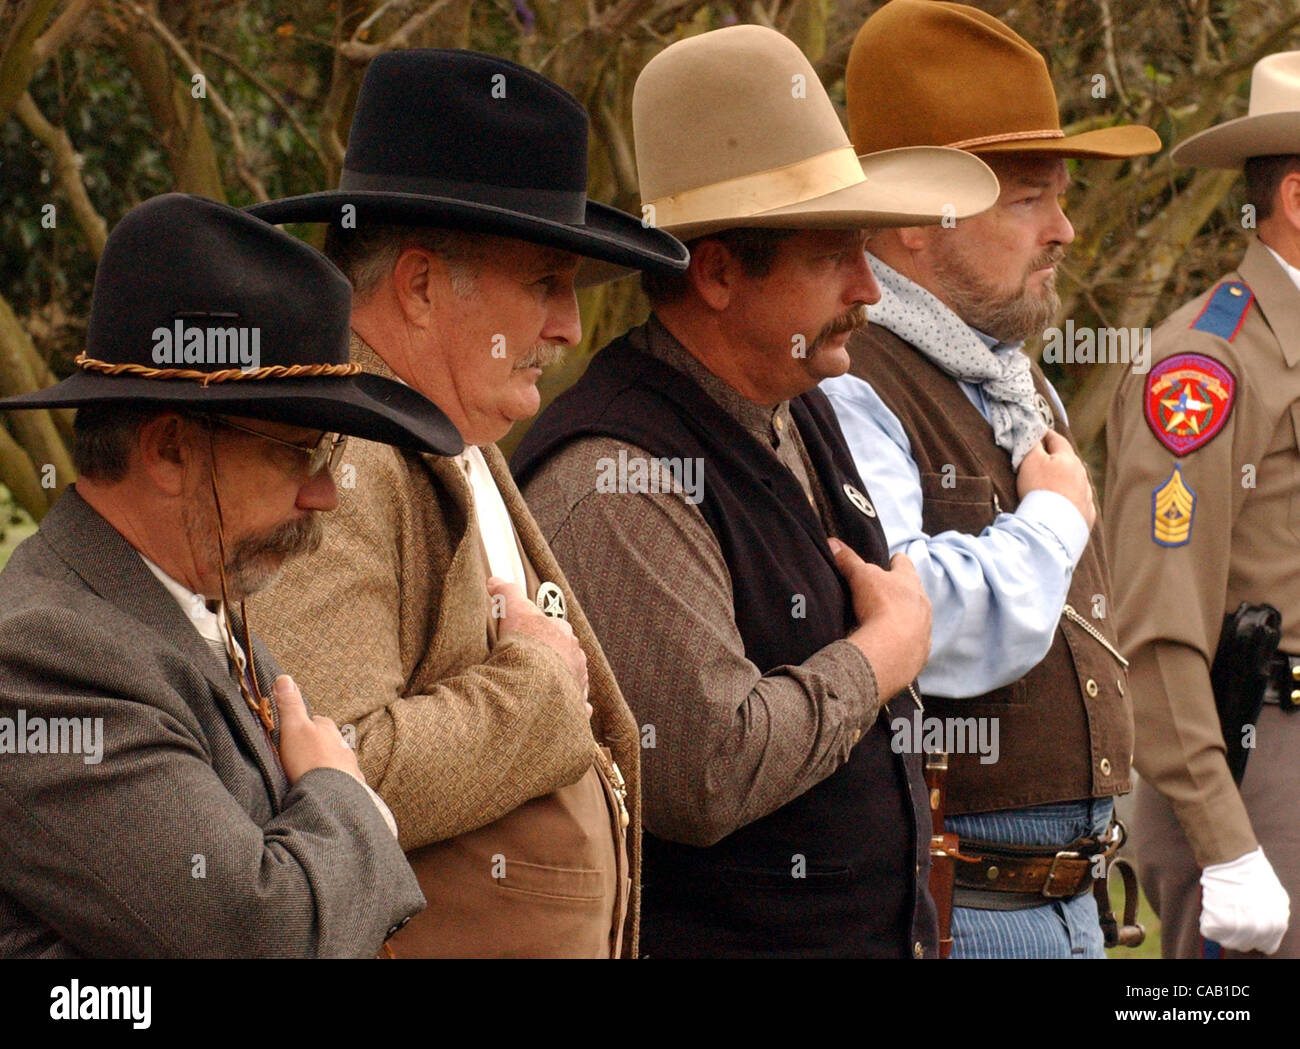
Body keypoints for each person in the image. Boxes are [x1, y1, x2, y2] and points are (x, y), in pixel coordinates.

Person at [513, 24, 999, 957]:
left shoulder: (797, 398)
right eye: (831, 256)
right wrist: (882, 654)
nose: (868, 287)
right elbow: (703, 769)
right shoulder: (619, 474)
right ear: (719, 271)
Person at [247, 49, 687, 958]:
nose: (568, 325)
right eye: (544, 284)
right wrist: (543, 688)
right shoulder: (342, 458)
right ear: (418, 285)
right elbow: (331, 767)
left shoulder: (449, 427)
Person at [0, 193, 463, 957]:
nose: (324, 493)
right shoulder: (44, 656)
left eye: (328, 457)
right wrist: (345, 795)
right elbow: (263, 934)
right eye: (295, 451)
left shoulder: (198, 604)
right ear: (171, 449)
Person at [819, 0, 1160, 958]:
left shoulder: (1008, 377)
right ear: (916, 221)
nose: (1064, 230)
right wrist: (1053, 524)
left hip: (1071, 896)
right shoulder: (851, 382)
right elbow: (910, 618)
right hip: (965, 906)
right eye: (1029, 198)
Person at [1106, 51, 1300, 959]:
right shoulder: (1208, 365)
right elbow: (1157, 624)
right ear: (1297, 199)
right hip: (1257, 774)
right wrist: (1227, 847)